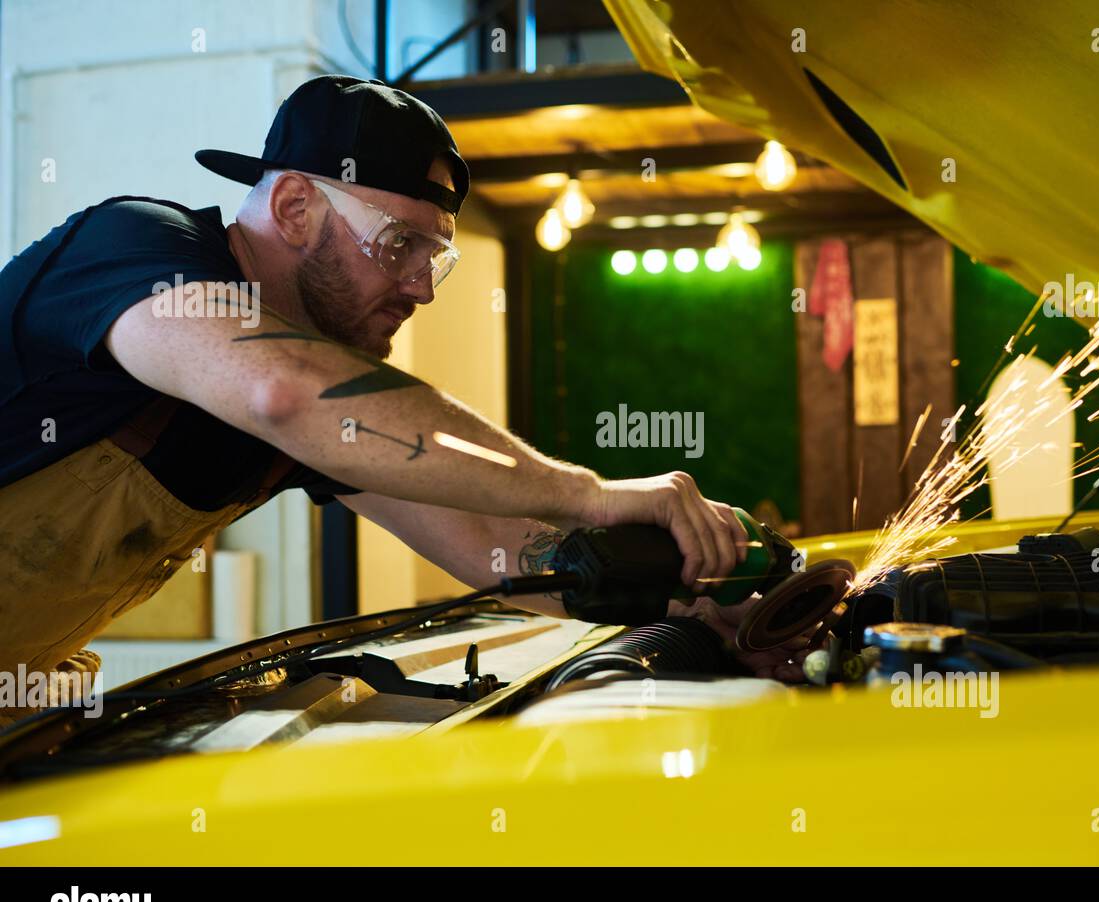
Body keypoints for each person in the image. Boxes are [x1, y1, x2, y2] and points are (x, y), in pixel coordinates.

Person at [0, 75, 772, 710]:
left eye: (433, 259)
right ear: (296, 207)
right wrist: (593, 495)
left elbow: (498, 551)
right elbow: (282, 390)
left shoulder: (320, 391)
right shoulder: (133, 249)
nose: (419, 290)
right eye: (401, 244)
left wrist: (694, 606)